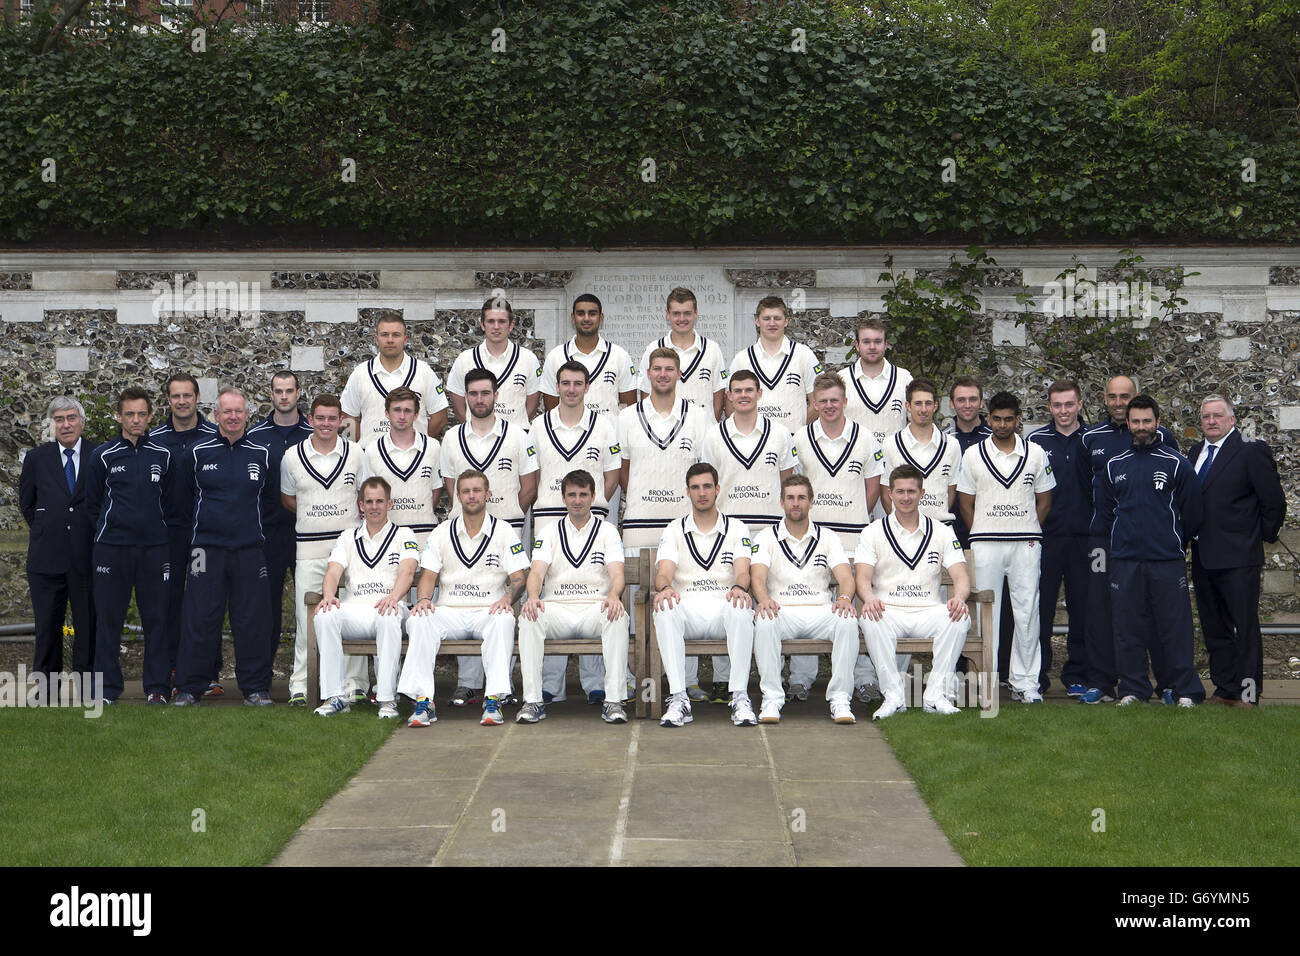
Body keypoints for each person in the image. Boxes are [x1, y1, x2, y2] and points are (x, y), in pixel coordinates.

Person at [438, 368, 539, 705]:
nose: (479, 399)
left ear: (497, 396)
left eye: (485, 393)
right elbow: (451, 486)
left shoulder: (518, 435)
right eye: (473, 394)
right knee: (466, 598)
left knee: (506, 602)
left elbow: (530, 485)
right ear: (465, 398)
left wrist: (509, 517)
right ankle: (468, 682)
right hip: (464, 532)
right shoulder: (452, 438)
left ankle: (502, 681)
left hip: (507, 529)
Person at [397, 470, 529, 727]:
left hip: (487, 610)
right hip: (450, 611)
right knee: (419, 620)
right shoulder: (441, 532)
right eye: (466, 491)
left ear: (487, 495)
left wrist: (507, 598)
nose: (472, 496)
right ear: (457, 496)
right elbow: (428, 575)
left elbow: (519, 577)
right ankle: (424, 701)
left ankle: (494, 700)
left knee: (504, 619)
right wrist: (424, 599)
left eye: (477, 490)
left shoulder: (503, 531)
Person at [1078, 376, 1180, 704]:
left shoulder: (1163, 437)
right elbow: (1085, 489)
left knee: (1153, 610)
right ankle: (1102, 682)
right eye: (1113, 397)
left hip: (1148, 542)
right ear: (1104, 399)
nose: (1119, 403)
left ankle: (1166, 683)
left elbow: (1178, 493)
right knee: (1101, 608)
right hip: (1102, 539)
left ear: (1136, 399)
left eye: (1126, 397)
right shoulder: (1091, 438)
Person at [1097, 395, 1204, 707]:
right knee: (1127, 629)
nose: (1141, 427)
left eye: (1147, 421)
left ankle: (1186, 690)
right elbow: (1105, 514)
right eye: (1135, 421)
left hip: (1166, 561)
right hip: (1126, 561)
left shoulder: (1176, 463)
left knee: (1175, 629)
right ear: (1127, 423)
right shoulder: (1113, 465)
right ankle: (1133, 689)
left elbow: (1193, 512)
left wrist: (1174, 542)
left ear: (1157, 422)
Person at [172, 387, 277, 707]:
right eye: (226, 411)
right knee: (199, 617)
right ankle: (190, 687)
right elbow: (181, 503)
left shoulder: (262, 453)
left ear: (247, 415)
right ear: (215, 416)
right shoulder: (197, 453)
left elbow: (270, 503)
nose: (233, 417)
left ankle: (255, 688)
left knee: (253, 620)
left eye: (238, 411)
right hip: (206, 551)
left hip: (248, 551)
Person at [618, 346, 712, 699]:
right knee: (635, 601)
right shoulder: (627, 417)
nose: (662, 374)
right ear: (647, 374)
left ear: (679, 373)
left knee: (679, 595)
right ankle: (634, 678)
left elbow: (703, 467)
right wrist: (642, 496)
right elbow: (623, 471)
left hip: (682, 524)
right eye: (656, 369)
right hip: (640, 521)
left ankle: (684, 680)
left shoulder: (698, 416)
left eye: (668, 369)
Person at [700, 369, 796, 701]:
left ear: (759, 394)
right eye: (736, 390)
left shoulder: (781, 434)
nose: (743, 395)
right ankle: (724, 680)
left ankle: (774, 680)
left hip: (769, 529)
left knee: (771, 599)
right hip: (727, 530)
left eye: (749, 390)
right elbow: (708, 481)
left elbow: (787, 481)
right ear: (728, 395)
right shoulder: (713, 436)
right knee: (730, 598)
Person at [530, 361, 623, 704]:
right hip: (548, 522)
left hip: (592, 519)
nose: (571, 389)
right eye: (565, 383)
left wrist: (596, 505)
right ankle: (549, 686)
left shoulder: (604, 425)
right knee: (551, 596)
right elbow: (531, 475)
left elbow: (612, 473)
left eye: (577, 383)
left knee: (594, 592)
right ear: (556, 387)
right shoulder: (538, 426)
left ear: (587, 387)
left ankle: (595, 683)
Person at [791, 372, 884, 702]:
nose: (829, 406)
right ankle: (801, 678)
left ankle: (863, 678)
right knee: (809, 601)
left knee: (856, 605)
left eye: (835, 400)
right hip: (812, 537)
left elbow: (873, 486)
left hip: (854, 534)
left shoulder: (866, 438)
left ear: (845, 402)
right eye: (823, 401)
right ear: (813, 404)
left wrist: (858, 518)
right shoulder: (800, 438)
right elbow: (793, 485)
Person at [956, 391, 1055, 703]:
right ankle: (986, 682)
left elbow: (1045, 500)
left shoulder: (1037, 453)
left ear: (1017, 420)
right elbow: (965, 503)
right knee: (987, 613)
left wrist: (1026, 529)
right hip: (986, 544)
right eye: (996, 419)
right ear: (988, 419)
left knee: (1028, 613)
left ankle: (1025, 683)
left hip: (1025, 544)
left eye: (1008, 419)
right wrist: (982, 533)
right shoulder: (972, 455)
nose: (1001, 424)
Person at [1188, 395, 1285, 707]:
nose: (1211, 421)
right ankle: (1225, 689)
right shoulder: (1195, 452)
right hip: (1204, 556)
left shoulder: (1250, 451)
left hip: (1239, 557)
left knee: (1244, 628)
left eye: (1218, 415)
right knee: (1214, 628)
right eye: (1206, 417)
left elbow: (1273, 502)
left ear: (1232, 419)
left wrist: (1257, 537)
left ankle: (1246, 693)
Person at [856, 464, 971, 719]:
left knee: (960, 616)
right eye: (900, 492)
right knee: (870, 617)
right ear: (890, 495)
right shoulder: (872, 531)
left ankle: (934, 696)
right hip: (889, 610)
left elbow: (961, 575)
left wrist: (959, 598)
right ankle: (893, 697)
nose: (906, 497)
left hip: (927, 610)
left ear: (922, 493)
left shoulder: (942, 531)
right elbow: (862, 577)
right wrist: (869, 597)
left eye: (911, 491)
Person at [519, 470, 630, 724]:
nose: (577, 500)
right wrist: (533, 596)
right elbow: (536, 572)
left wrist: (614, 595)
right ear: (563, 497)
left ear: (593, 497)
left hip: (595, 607)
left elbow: (618, 573)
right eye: (572, 495)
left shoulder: (608, 531)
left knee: (617, 615)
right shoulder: (548, 532)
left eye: (583, 494)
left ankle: (613, 701)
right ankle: (533, 701)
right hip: (557, 608)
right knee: (529, 616)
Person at [279, 394, 370, 705]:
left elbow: (365, 495)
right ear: (310, 420)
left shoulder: (357, 454)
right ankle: (302, 685)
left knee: (353, 615)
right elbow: (290, 500)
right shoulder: (292, 456)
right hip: (309, 550)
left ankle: (355, 682)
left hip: (349, 550)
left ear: (341, 421)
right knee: (309, 620)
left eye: (333, 418)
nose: (327, 424)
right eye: (321, 418)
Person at [84, 388, 172, 705]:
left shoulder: (163, 455)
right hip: (112, 549)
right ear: (118, 416)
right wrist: (115, 530)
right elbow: (92, 505)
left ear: (150, 417)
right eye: (129, 414)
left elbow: (170, 504)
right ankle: (107, 690)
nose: (136, 420)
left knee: (157, 619)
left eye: (141, 414)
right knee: (108, 619)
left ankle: (158, 688)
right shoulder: (103, 456)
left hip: (154, 550)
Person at [652, 463, 757, 728]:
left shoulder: (737, 528)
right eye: (696, 487)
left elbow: (743, 573)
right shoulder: (674, 529)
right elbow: (663, 574)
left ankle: (740, 697)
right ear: (687, 491)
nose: (702, 493)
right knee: (664, 608)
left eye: (707, 486)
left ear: (717, 489)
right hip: (688, 609)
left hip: (723, 607)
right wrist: (664, 589)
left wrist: (740, 588)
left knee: (742, 607)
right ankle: (678, 698)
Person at [750, 475, 858, 724]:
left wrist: (843, 598)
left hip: (819, 610)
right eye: (790, 498)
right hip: (782, 611)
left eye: (801, 498)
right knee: (764, 621)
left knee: (848, 621)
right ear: (781, 502)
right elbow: (757, 577)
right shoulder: (766, 537)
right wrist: (764, 600)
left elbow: (846, 576)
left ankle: (840, 699)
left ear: (811, 501)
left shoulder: (828, 537)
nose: (795, 503)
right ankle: (772, 699)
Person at [313, 477, 419, 720]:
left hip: (391, 607)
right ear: (360, 505)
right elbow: (332, 571)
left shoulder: (404, 534)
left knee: (388, 615)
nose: (374, 507)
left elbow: (408, 571)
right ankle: (336, 696)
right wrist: (328, 596)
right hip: (355, 609)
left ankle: (387, 699)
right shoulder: (347, 537)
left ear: (389, 503)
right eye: (369, 502)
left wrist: (393, 597)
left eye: (379, 501)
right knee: (325, 614)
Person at [19, 396, 96, 700]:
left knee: (87, 626)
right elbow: (27, 503)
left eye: (71, 418)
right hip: (46, 558)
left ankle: (88, 688)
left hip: (86, 556)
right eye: (60, 419)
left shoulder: (98, 455)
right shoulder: (37, 459)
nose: (66, 424)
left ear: (82, 421)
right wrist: (47, 527)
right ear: (52, 424)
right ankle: (47, 690)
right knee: (47, 627)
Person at [247, 370, 314, 702]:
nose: (284, 396)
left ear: (298, 393)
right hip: (270, 533)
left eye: (289, 390)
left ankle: (316, 679)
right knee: (266, 610)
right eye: (278, 391)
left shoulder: (315, 433)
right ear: (271, 394)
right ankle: (261, 682)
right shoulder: (256, 435)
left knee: (313, 609)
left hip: (309, 533)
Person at [148, 373, 217, 692]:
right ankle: (174, 668)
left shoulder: (213, 435)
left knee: (204, 601)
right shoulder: (156, 438)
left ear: (197, 396)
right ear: (168, 400)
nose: (182, 401)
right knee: (170, 600)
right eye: (175, 396)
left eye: (187, 395)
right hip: (169, 537)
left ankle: (209, 671)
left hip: (204, 537)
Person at [1027, 379, 1092, 696]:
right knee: (1040, 609)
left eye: (1069, 404)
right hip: (1046, 538)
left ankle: (1077, 674)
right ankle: (1037, 676)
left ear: (1079, 404)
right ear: (1049, 406)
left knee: (1082, 609)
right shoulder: (1035, 441)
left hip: (1084, 539)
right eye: (1057, 405)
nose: (1063, 411)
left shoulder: (1093, 439)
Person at [340, 314, 449, 446]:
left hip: (414, 457)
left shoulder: (423, 371)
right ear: (376, 339)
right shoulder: (360, 373)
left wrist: (420, 442)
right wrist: (361, 446)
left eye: (396, 335)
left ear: (405, 339)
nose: (390, 340)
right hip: (370, 459)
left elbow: (440, 416)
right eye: (385, 334)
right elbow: (347, 415)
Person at [446, 295, 542, 429]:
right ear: (482, 325)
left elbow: (532, 404)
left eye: (502, 321)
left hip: (516, 438)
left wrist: (514, 431)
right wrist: (474, 429)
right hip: (476, 439)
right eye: (491, 321)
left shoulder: (528, 359)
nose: (496, 327)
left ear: (511, 325)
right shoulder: (465, 359)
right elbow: (458, 402)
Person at [362, 386, 441, 547]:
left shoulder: (433, 447)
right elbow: (368, 495)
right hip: (387, 538)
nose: (402, 416)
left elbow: (436, 489)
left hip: (425, 536)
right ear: (386, 413)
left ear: (416, 415)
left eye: (408, 410)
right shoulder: (372, 450)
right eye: (397, 410)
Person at [727, 296, 820, 429]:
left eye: (777, 318)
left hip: (793, 440)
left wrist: (800, 428)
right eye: (766, 318)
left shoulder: (804, 354)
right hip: (755, 441)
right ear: (757, 321)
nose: (772, 323)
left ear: (786, 321)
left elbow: (818, 402)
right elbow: (731, 404)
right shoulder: (742, 358)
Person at [540, 294, 638, 418]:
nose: (586, 318)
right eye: (581, 313)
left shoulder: (619, 355)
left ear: (601, 317)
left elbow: (628, 407)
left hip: (609, 435)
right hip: (570, 435)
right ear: (573, 317)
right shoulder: (555, 356)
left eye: (592, 313)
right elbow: (551, 407)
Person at [637, 287, 727, 421]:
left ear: (696, 313)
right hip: (665, 431)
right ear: (667, 314)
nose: (682, 318)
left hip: (702, 431)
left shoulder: (712, 349)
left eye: (687, 313)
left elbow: (719, 395)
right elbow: (645, 392)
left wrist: (709, 424)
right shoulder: (653, 348)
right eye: (676, 313)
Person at [880, 377, 961, 524]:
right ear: (908, 406)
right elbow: (886, 493)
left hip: (941, 529)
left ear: (935, 406)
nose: (923, 409)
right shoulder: (891, 444)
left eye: (928, 403)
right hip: (901, 530)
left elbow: (951, 491)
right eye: (918, 403)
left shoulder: (952, 445)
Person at [839, 317, 912, 445]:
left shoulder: (904, 378)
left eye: (877, 341)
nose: (872, 347)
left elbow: (915, 422)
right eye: (866, 342)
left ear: (885, 345)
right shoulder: (842, 379)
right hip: (854, 459)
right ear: (857, 345)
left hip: (894, 460)